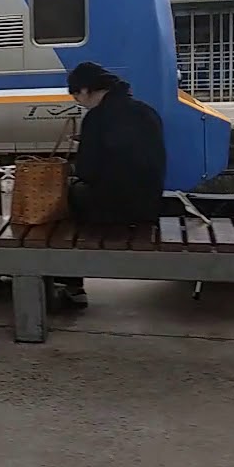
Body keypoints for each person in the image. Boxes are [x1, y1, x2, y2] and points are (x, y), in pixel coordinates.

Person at [53, 61, 167, 307]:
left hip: (113, 209)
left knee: (65, 197)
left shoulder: (97, 118)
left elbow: (87, 171)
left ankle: (71, 284)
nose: (77, 101)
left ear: (86, 90)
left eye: (75, 94)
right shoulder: (146, 111)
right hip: (148, 206)